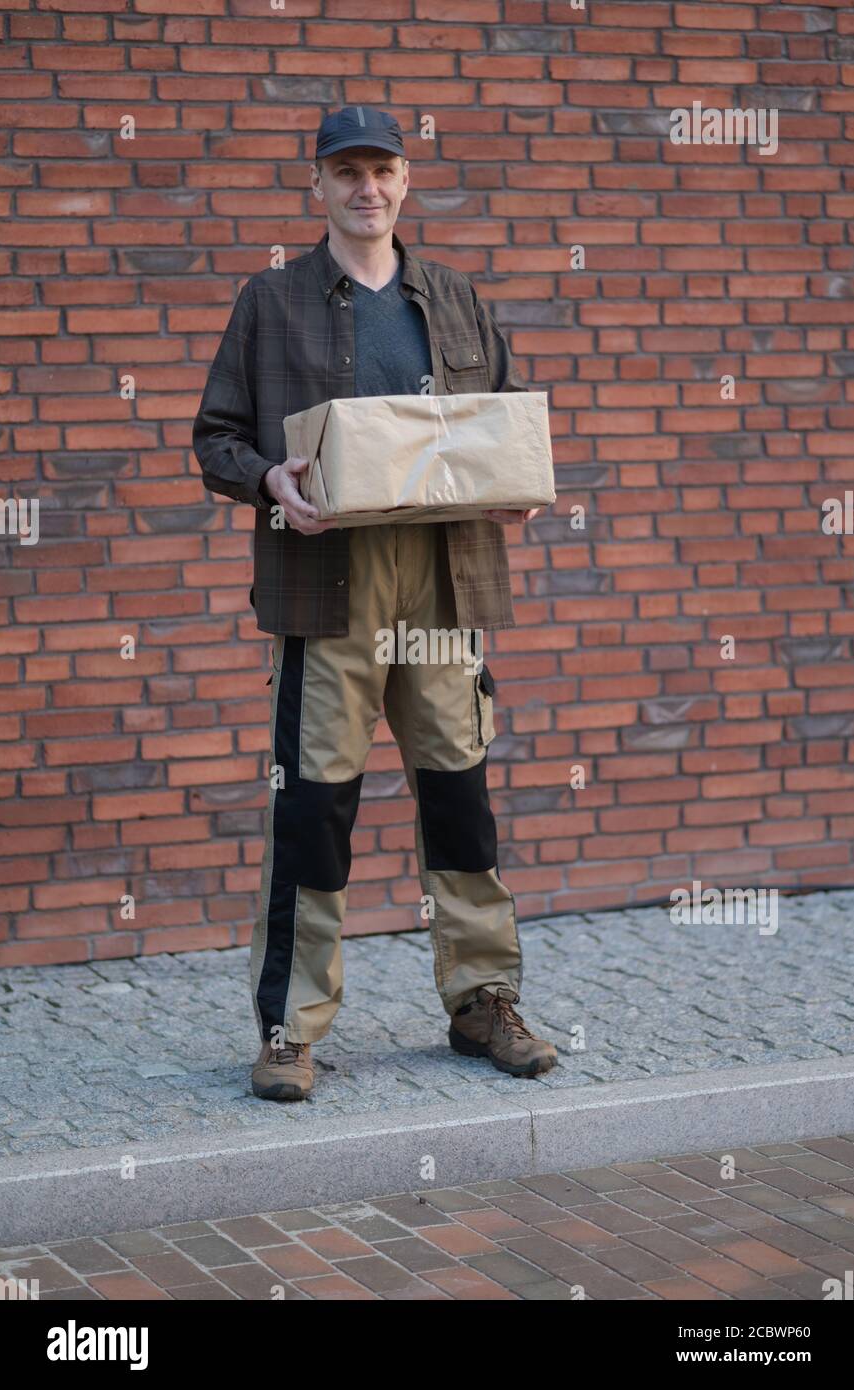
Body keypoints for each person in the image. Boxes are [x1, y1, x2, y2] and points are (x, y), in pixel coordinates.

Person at [192, 105, 558, 1102]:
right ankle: (290, 1028)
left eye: (383, 169)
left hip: (442, 590)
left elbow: (503, 422)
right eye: (346, 171)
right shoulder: (271, 303)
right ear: (319, 185)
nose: (367, 188)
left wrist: (516, 483)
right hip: (328, 589)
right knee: (313, 814)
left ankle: (483, 999)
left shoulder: (453, 298)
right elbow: (216, 439)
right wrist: (271, 481)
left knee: (460, 798)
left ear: (405, 180)